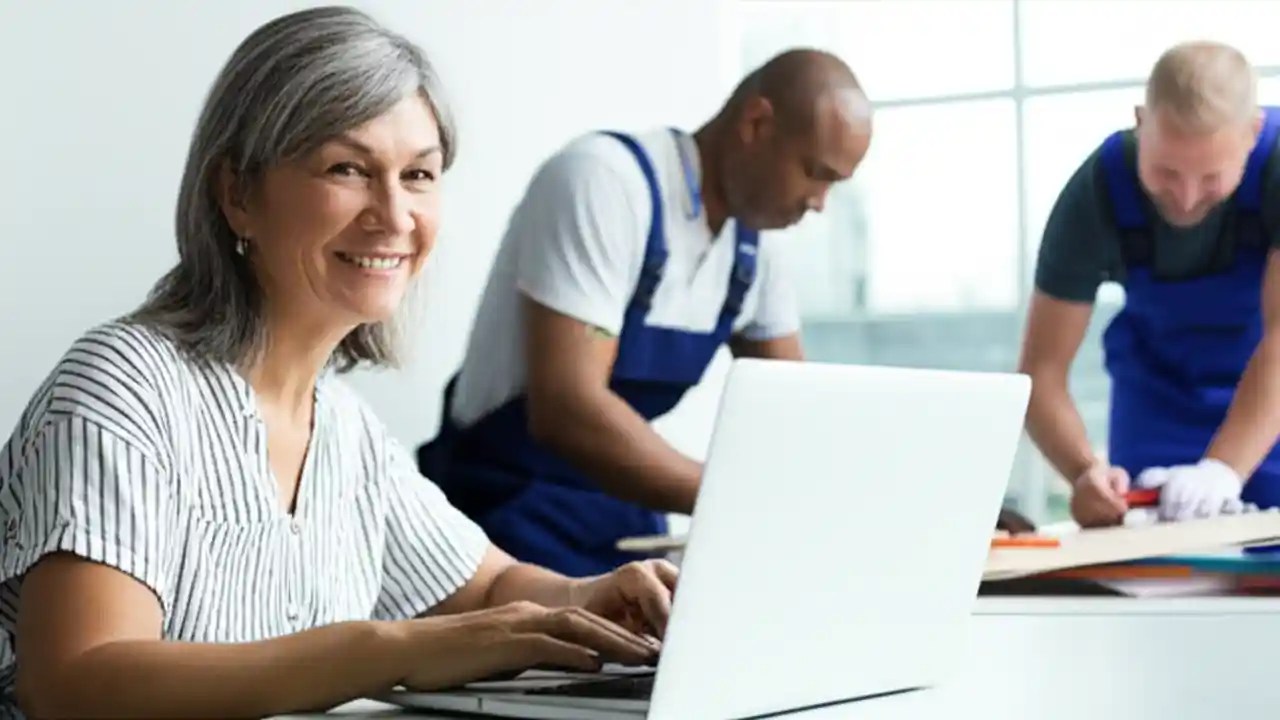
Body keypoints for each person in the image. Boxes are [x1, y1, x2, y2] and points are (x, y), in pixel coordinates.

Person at [0, 8, 675, 718]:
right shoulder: (124, 387)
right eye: (348, 169)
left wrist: (589, 597)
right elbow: (75, 680)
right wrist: (394, 648)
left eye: (418, 174)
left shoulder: (348, 432)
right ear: (236, 195)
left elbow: (484, 589)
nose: (394, 214)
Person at [416, 49, 874, 576]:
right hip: (502, 521)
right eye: (816, 173)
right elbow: (568, 408)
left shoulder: (755, 253)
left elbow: (793, 415)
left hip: (624, 525)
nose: (819, 202)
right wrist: (737, 500)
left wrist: (861, 499)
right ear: (757, 123)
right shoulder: (604, 182)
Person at [1018, 40, 1280, 528]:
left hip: (1272, 403)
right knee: (1157, 572)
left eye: (1210, 178)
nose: (1184, 199)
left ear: (1253, 132)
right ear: (1141, 122)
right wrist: (1084, 474)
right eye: (1165, 172)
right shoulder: (1095, 193)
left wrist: (1222, 469)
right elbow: (1041, 371)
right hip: (1156, 406)